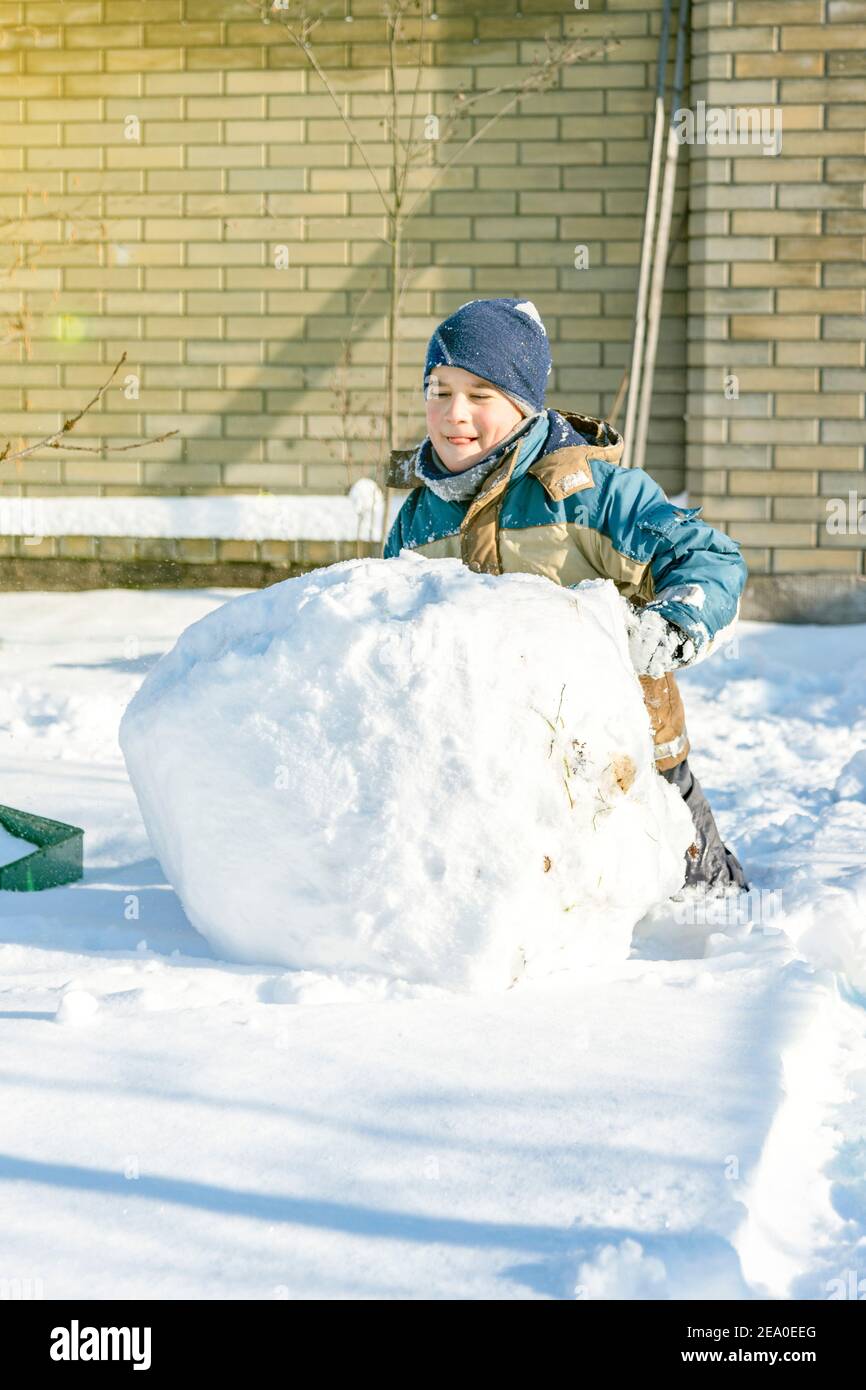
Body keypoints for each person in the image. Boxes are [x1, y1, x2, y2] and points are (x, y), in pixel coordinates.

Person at [383, 296, 749, 893]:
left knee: (696, 912)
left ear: (523, 406)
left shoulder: (589, 494)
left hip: (631, 762)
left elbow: (709, 559)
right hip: (491, 775)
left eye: (480, 395)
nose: (454, 413)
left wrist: (671, 625)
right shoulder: (420, 518)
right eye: (439, 390)